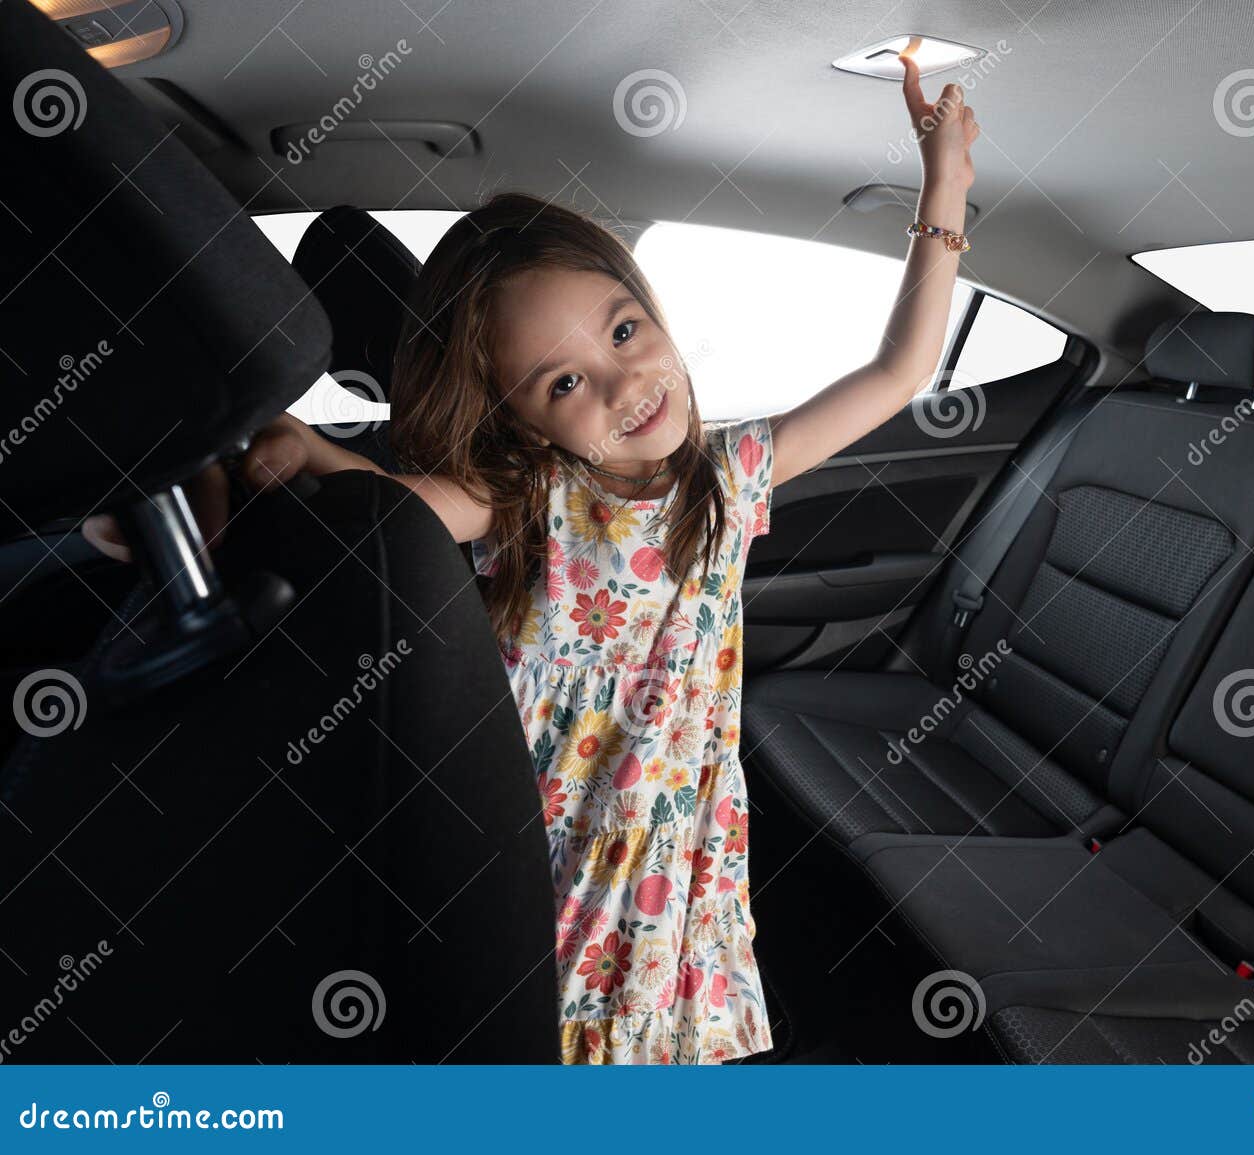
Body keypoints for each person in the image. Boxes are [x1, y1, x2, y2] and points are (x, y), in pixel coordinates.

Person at [85, 52, 979, 1063]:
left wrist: (941, 185)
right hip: (552, 853)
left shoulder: (729, 476)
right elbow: (382, 506)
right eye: (562, 383)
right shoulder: (525, 500)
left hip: (680, 845)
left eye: (626, 330)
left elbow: (901, 368)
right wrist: (287, 447)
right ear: (520, 419)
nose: (623, 382)